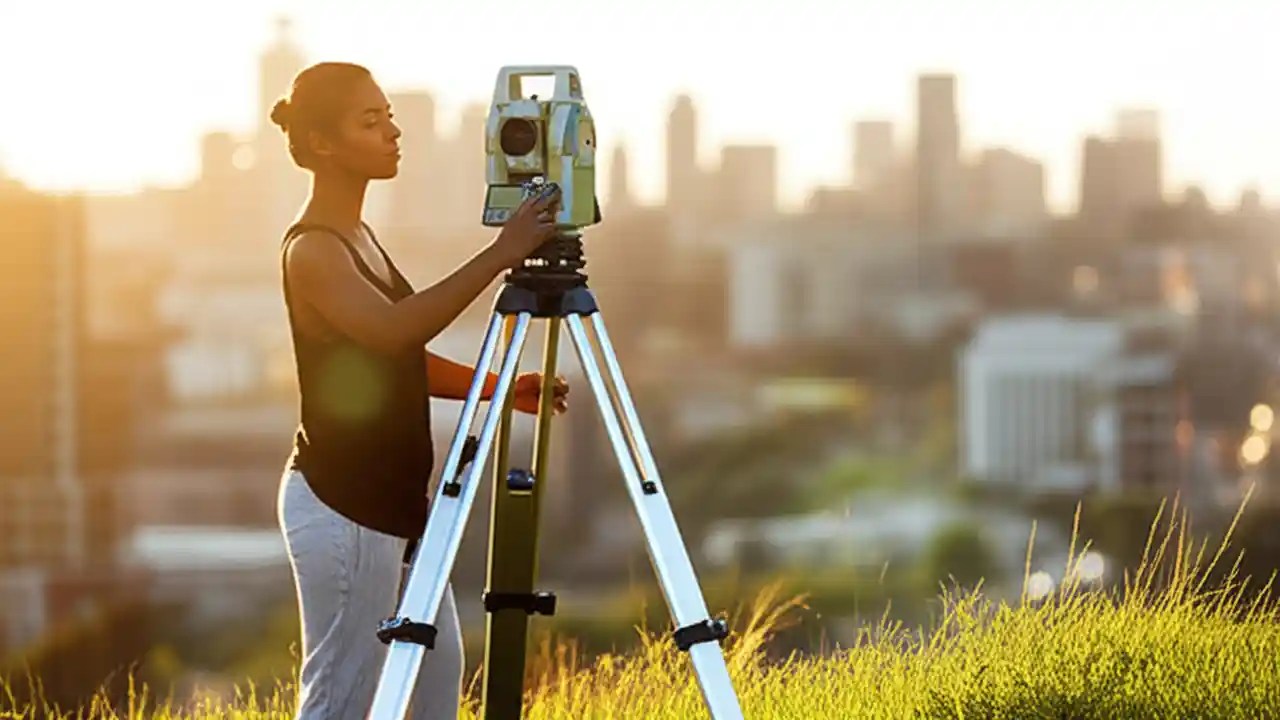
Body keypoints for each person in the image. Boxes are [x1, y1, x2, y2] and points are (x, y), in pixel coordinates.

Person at [270, 61, 569, 719]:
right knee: (343, 698)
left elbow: (398, 359)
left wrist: (496, 388)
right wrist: (501, 254)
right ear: (321, 143)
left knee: (434, 693)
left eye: (390, 118)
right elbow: (390, 332)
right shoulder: (314, 250)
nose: (393, 133)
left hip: (400, 506)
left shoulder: (359, 237)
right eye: (371, 122)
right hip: (345, 507)